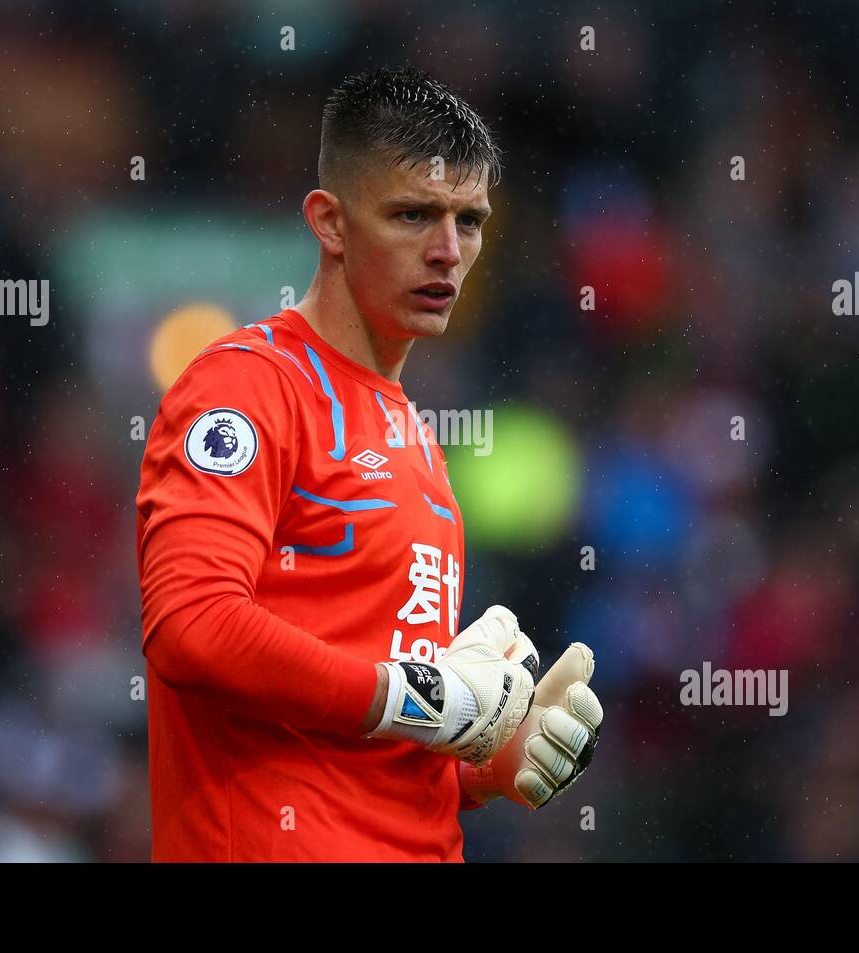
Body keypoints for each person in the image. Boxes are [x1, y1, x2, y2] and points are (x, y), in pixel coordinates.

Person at [136, 65, 602, 862]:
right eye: (413, 214)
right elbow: (192, 625)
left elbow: (373, 741)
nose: (449, 251)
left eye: (470, 219)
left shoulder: (417, 439)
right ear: (330, 222)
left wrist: (497, 753)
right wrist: (429, 698)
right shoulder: (251, 383)